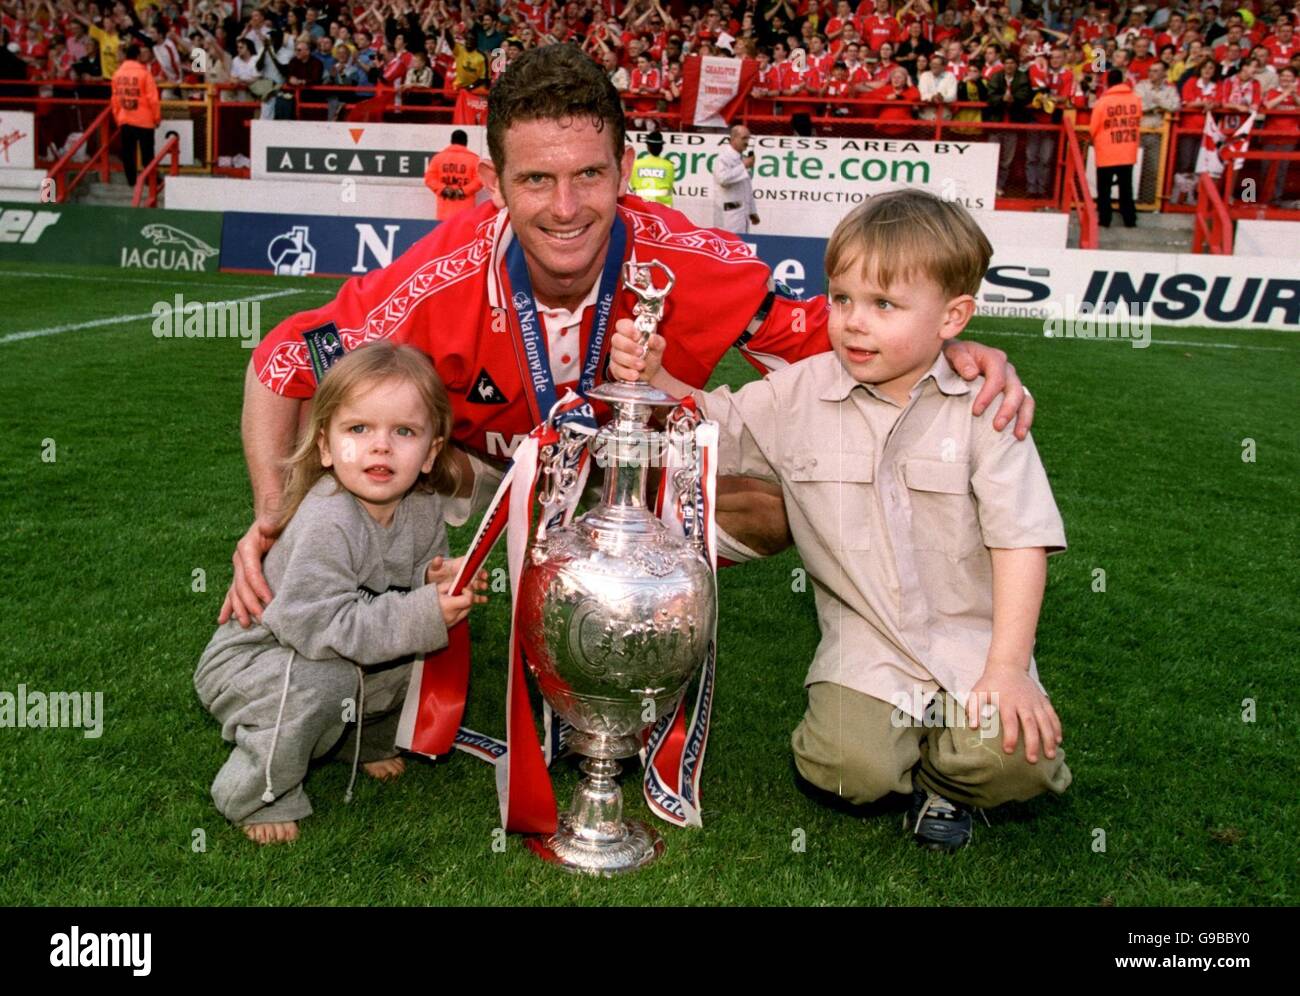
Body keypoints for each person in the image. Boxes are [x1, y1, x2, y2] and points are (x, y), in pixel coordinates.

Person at [221, 44, 1033, 631]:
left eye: (589, 175)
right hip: (488, 472)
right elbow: (283, 359)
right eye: (537, 179)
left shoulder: (682, 252)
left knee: (769, 503)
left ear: (624, 167)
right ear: (498, 184)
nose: (566, 207)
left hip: (627, 479)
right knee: (345, 471)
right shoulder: (437, 276)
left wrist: (948, 349)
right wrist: (271, 516)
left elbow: (818, 331)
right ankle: (354, 618)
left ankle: (632, 616)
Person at [611, 190, 1070, 851]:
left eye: (884, 305)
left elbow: (1021, 542)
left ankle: (949, 779)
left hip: (974, 646)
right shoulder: (800, 392)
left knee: (1010, 756)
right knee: (847, 770)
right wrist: (655, 380)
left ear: (954, 316)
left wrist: (1006, 668)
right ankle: (907, 755)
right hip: (867, 651)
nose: (854, 322)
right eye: (843, 299)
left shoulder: (987, 409)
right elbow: (707, 425)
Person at [195, 343, 488, 844]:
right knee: (327, 679)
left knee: (413, 645)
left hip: (321, 646)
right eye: (359, 429)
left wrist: (434, 579)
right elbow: (322, 628)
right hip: (259, 658)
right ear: (327, 447)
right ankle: (255, 792)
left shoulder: (420, 507)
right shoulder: (327, 517)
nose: (380, 447)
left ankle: (369, 739)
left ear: (430, 454)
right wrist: (420, 610)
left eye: (404, 432)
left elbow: (402, 583)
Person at [1090, 68, 1142, 228]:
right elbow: (1138, 119)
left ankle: (1105, 220)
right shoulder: (1135, 99)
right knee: (1126, 187)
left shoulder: (1102, 102)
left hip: (1106, 151)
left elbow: (1093, 127)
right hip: (1127, 150)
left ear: (1107, 83)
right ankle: (1130, 219)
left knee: (1104, 189)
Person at [110, 43, 160, 189]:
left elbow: (114, 100)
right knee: (147, 154)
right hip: (144, 120)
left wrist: (118, 118)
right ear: (138, 56)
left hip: (125, 119)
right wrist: (157, 118)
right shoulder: (144, 74)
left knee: (128, 152)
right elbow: (153, 99)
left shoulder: (117, 74)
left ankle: (131, 181)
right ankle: (151, 181)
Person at [423, 129, 483, 221]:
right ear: (466, 142)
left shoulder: (438, 158)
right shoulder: (474, 159)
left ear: (451, 142)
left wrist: (443, 189)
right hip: (466, 213)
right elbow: (480, 180)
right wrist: (463, 191)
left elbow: (429, 179)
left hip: (444, 213)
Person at [712, 122, 758, 233]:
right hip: (728, 213)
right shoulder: (723, 158)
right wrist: (744, 166)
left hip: (742, 213)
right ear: (733, 139)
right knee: (728, 244)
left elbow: (746, 187)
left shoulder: (741, 158)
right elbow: (723, 179)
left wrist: (752, 211)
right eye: (744, 138)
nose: (747, 142)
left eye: (748, 139)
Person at [629, 129, 676, 206]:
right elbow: (669, 185)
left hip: (641, 207)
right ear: (661, 148)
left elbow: (633, 184)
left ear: (648, 147)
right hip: (663, 209)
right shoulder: (669, 166)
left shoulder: (636, 164)